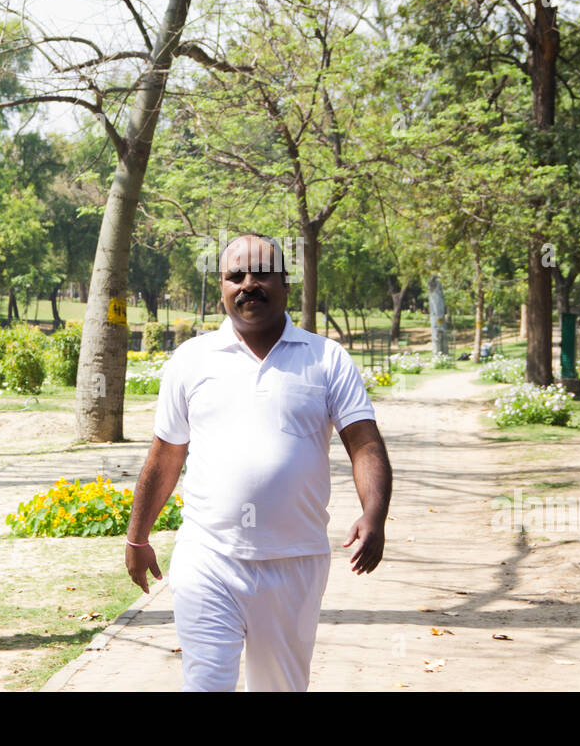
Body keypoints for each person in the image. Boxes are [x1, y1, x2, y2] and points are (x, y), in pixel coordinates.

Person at [124, 233, 393, 691]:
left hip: (295, 562)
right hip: (208, 556)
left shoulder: (326, 359)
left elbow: (364, 444)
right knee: (205, 684)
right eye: (235, 276)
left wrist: (374, 514)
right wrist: (137, 537)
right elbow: (165, 455)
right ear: (223, 288)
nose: (249, 284)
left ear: (286, 284)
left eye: (262, 273)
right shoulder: (192, 360)